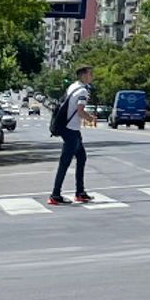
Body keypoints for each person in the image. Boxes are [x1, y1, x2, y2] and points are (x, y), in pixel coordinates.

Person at [49, 65, 95, 206]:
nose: (92, 76)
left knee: (81, 157)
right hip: (71, 130)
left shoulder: (73, 86)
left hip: (70, 129)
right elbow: (80, 111)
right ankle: (55, 195)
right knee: (65, 162)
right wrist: (90, 118)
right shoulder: (83, 91)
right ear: (83, 75)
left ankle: (80, 192)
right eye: (90, 74)